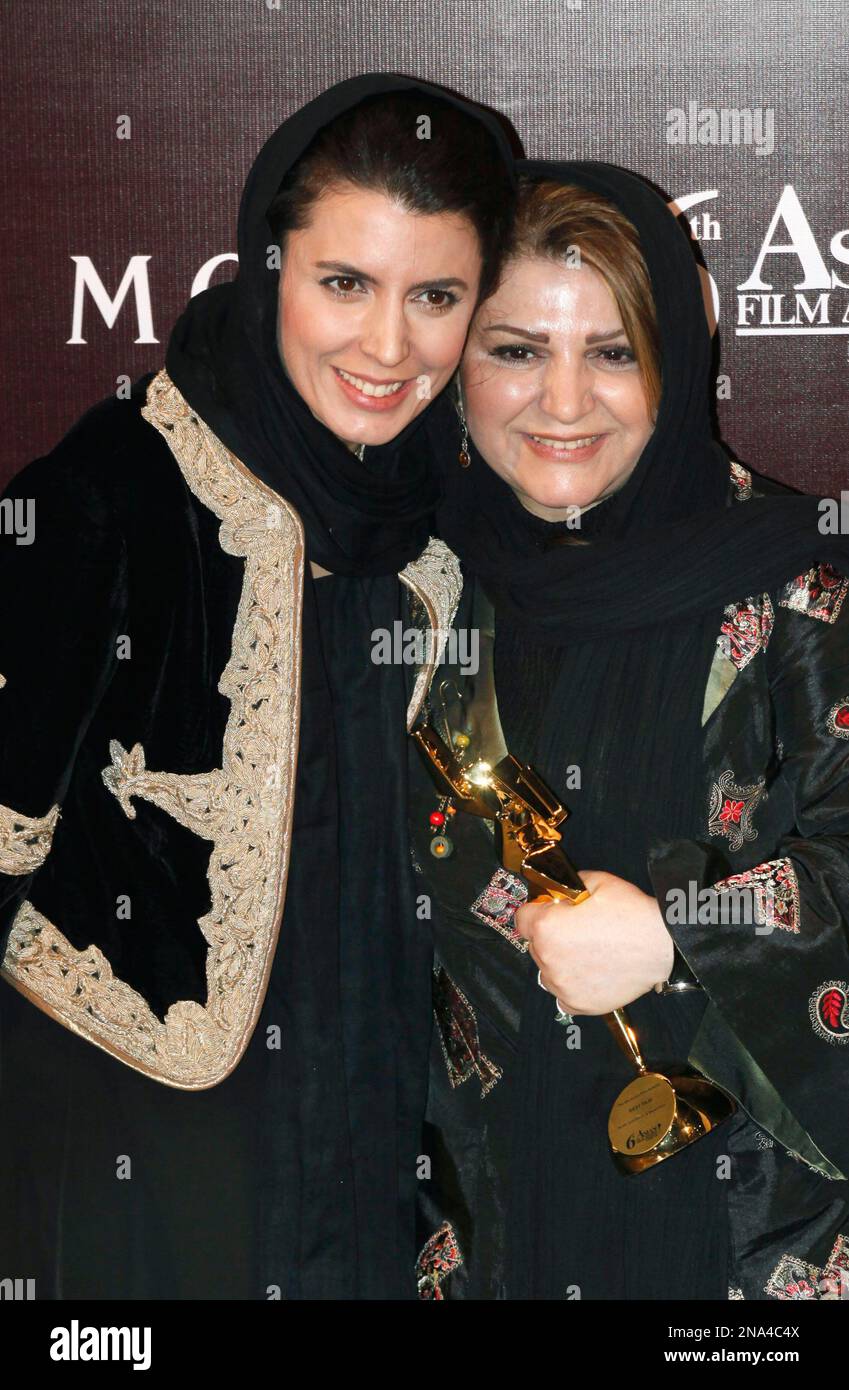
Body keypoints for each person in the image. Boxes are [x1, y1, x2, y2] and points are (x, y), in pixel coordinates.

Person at [0, 73, 516, 1300]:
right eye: (345, 283)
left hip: (376, 1117)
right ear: (268, 260)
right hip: (138, 1135)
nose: (388, 348)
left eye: (435, 296)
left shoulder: (451, 509)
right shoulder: (115, 485)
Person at [408, 162, 849, 1301]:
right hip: (507, 1238)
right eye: (515, 350)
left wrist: (684, 934)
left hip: (749, 1262)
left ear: (678, 359)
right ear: (457, 367)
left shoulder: (808, 593)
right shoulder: (429, 597)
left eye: (611, 352)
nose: (563, 404)